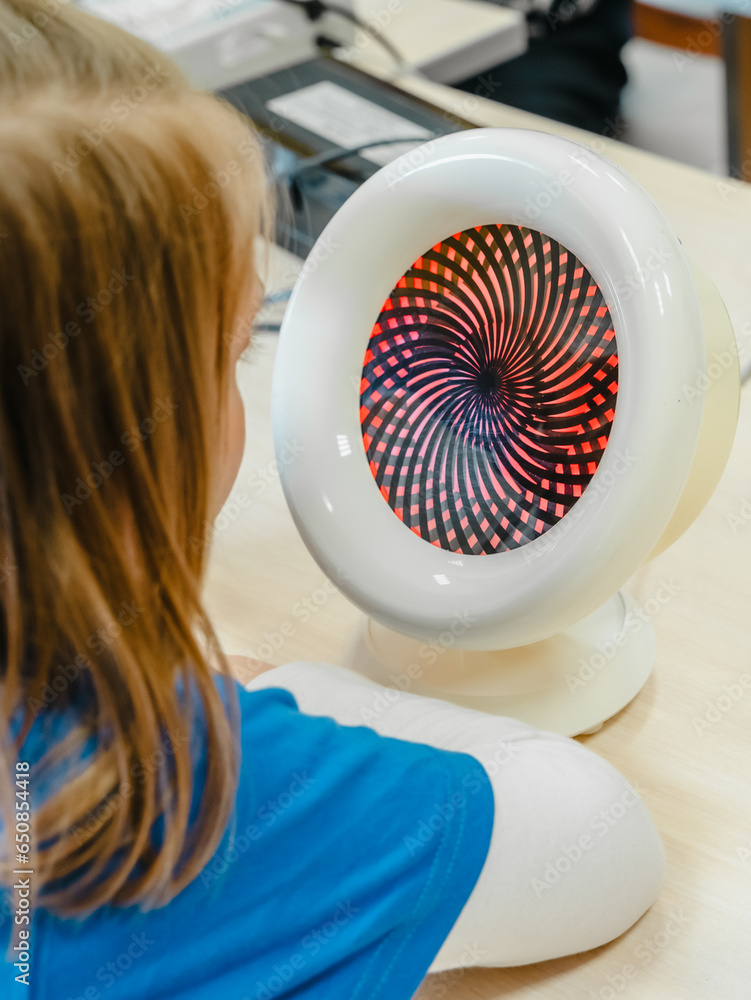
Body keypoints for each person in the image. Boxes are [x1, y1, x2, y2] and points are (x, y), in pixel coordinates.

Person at [0, 2, 665, 998]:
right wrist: (257, 692)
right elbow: (595, 837)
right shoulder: (161, 798)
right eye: (230, 354)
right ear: (125, 459)